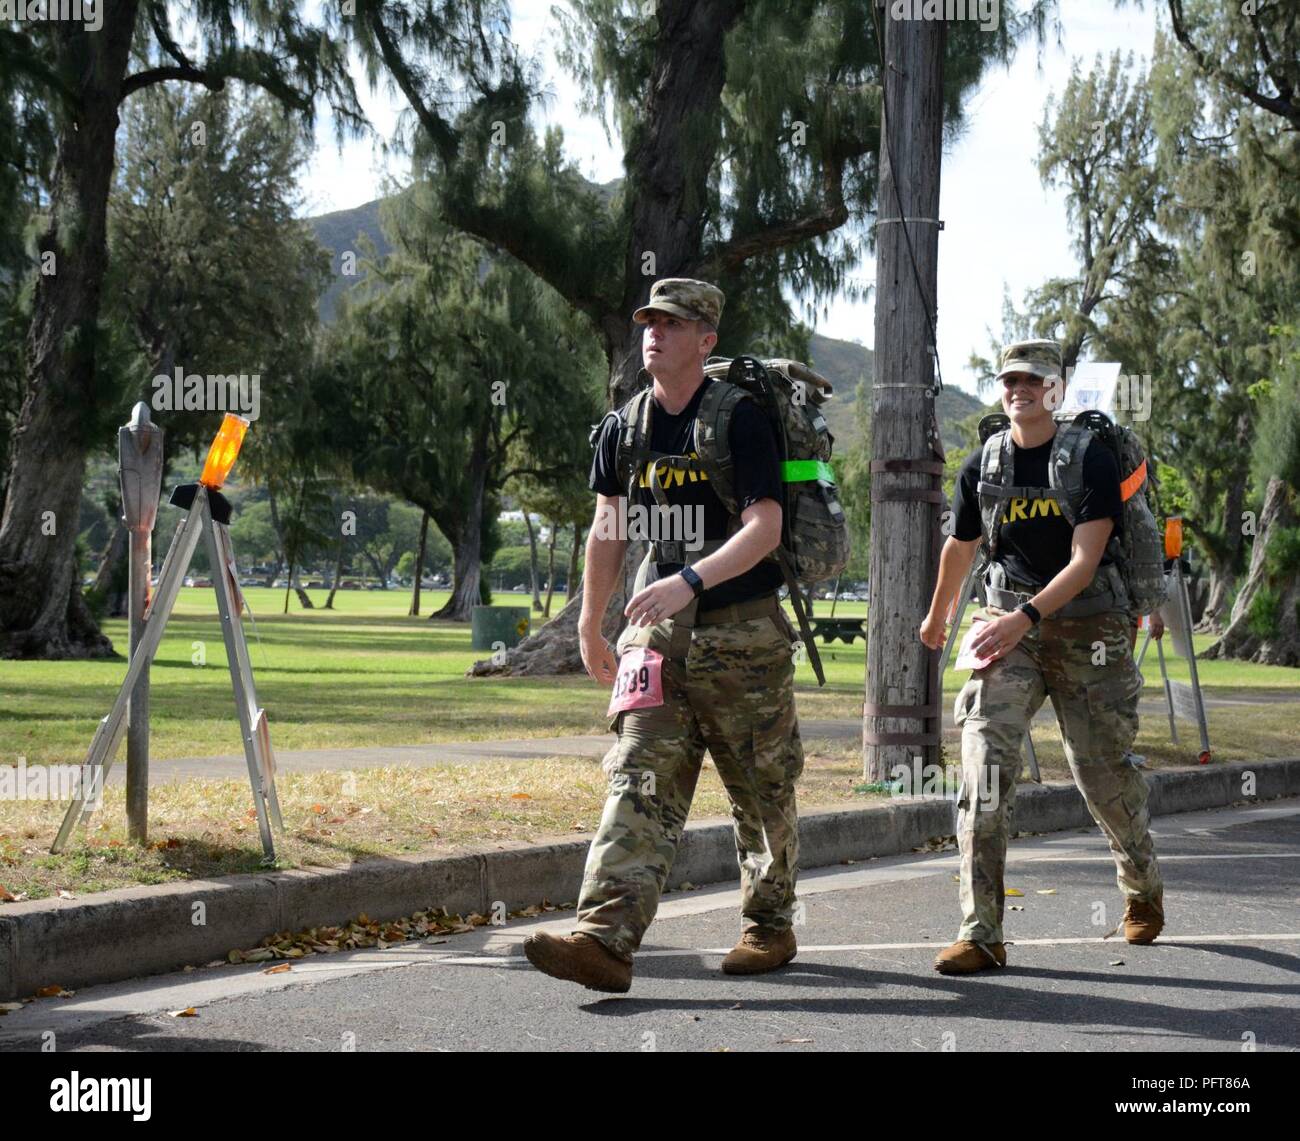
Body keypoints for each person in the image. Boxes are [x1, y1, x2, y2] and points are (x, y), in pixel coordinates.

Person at [522, 278, 805, 993]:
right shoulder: (625, 426)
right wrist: (590, 620)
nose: (655, 332)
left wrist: (693, 579)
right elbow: (607, 526)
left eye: (673, 324)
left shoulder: (738, 417)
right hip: (656, 641)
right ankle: (603, 939)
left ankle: (769, 926)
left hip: (743, 634)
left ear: (705, 340)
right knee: (636, 776)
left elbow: (764, 526)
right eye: (649, 321)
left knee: (761, 789)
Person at [919, 339, 1164, 975]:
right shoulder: (986, 461)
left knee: (1101, 775)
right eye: (1009, 379)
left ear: (1055, 390)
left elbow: (1085, 562)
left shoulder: (1091, 460)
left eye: (1032, 379)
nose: (1019, 387)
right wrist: (940, 613)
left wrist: (1023, 617)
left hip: (1091, 631)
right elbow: (960, 544)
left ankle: (1140, 886)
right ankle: (981, 931)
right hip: (1010, 631)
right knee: (983, 770)